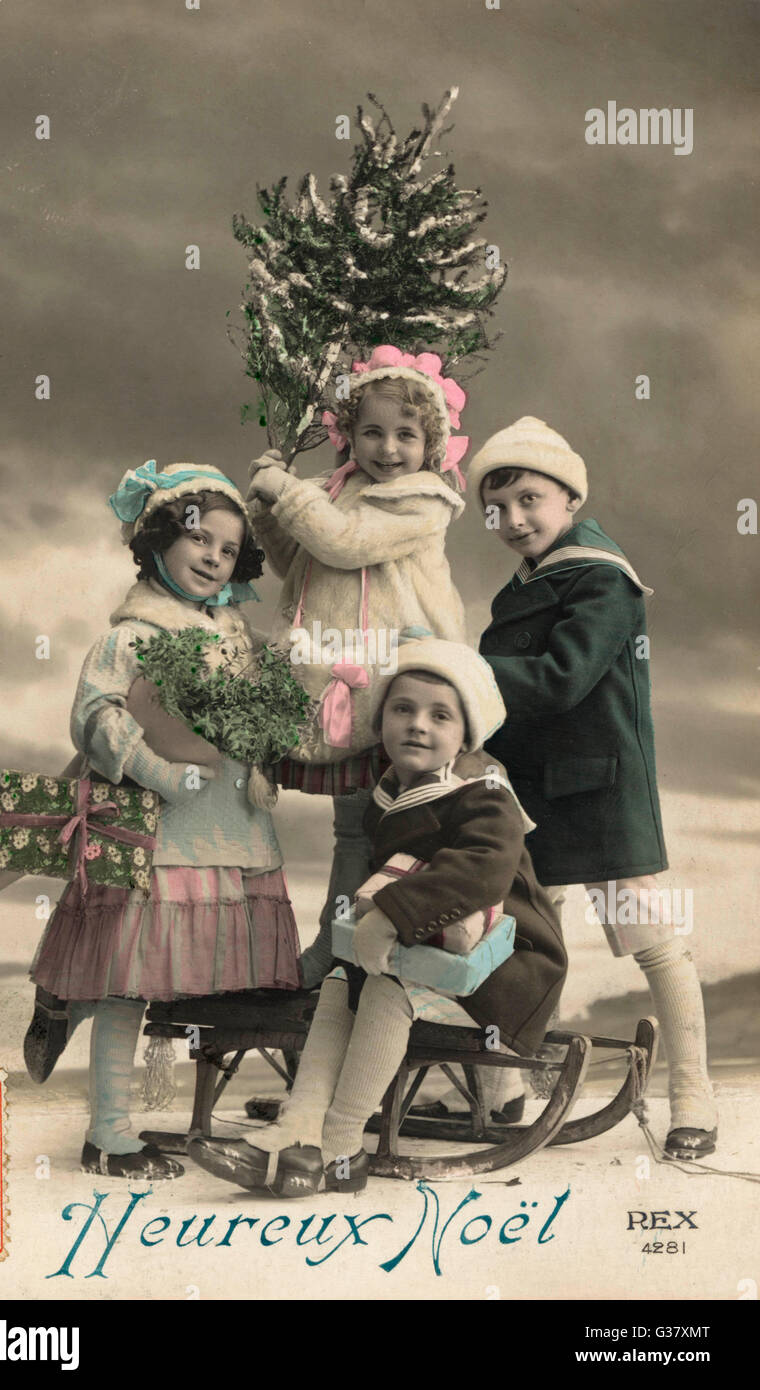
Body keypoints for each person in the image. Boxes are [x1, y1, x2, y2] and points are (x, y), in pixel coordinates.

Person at [187, 638, 566, 1196]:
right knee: (342, 983)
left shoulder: (483, 792)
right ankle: (295, 1133)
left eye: (440, 716)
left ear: (466, 734)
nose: (418, 725)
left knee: (389, 991)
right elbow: (385, 874)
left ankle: (341, 1143)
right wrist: (369, 921)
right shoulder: (388, 791)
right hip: (426, 948)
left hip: (501, 965)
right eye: (402, 709)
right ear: (381, 718)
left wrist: (389, 916)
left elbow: (482, 870)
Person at [25, 462, 302, 1179]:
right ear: (154, 542)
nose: (212, 556)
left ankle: (197, 1115)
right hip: (155, 832)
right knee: (128, 980)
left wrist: (265, 757)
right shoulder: (135, 635)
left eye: (226, 547)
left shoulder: (237, 633)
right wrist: (155, 770)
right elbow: (95, 717)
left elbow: (248, 722)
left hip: (229, 833)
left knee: (202, 978)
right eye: (197, 539)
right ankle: (109, 1134)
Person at [465, 416, 717, 1159]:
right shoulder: (524, 588)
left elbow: (561, 678)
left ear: (570, 496)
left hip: (601, 790)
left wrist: (462, 668)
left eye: (530, 500)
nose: (513, 520)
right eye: (497, 508)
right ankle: (504, 1089)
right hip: (532, 793)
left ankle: (694, 1099)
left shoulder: (602, 579)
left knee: (655, 943)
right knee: (514, 937)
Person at [246, 345, 470, 989]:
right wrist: (269, 510)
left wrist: (288, 493)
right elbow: (304, 563)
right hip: (333, 675)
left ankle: (383, 951)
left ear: (431, 443)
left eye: (406, 434)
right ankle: (335, 947)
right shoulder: (333, 490)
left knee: (393, 825)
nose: (388, 448)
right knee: (350, 830)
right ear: (348, 435)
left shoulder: (425, 499)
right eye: (372, 432)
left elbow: (346, 545)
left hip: (399, 682)